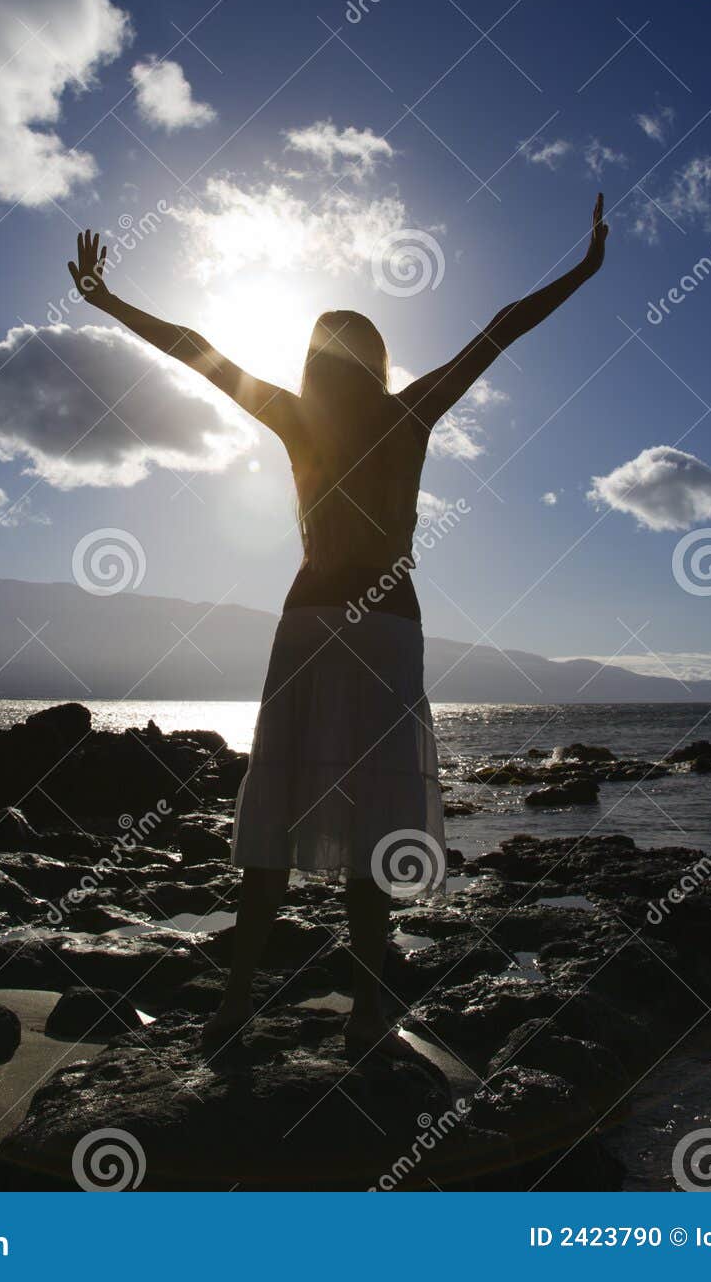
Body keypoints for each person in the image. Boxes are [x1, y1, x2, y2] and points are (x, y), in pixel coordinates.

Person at [68, 193, 609, 1058]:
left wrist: (107, 300)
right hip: (386, 620)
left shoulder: (298, 416)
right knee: (372, 827)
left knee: (277, 816)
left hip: (314, 616)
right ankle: (362, 1010)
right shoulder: (410, 411)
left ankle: (238, 1001)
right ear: (378, 358)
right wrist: (583, 270)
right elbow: (500, 329)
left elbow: (195, 352)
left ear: (316, 359)